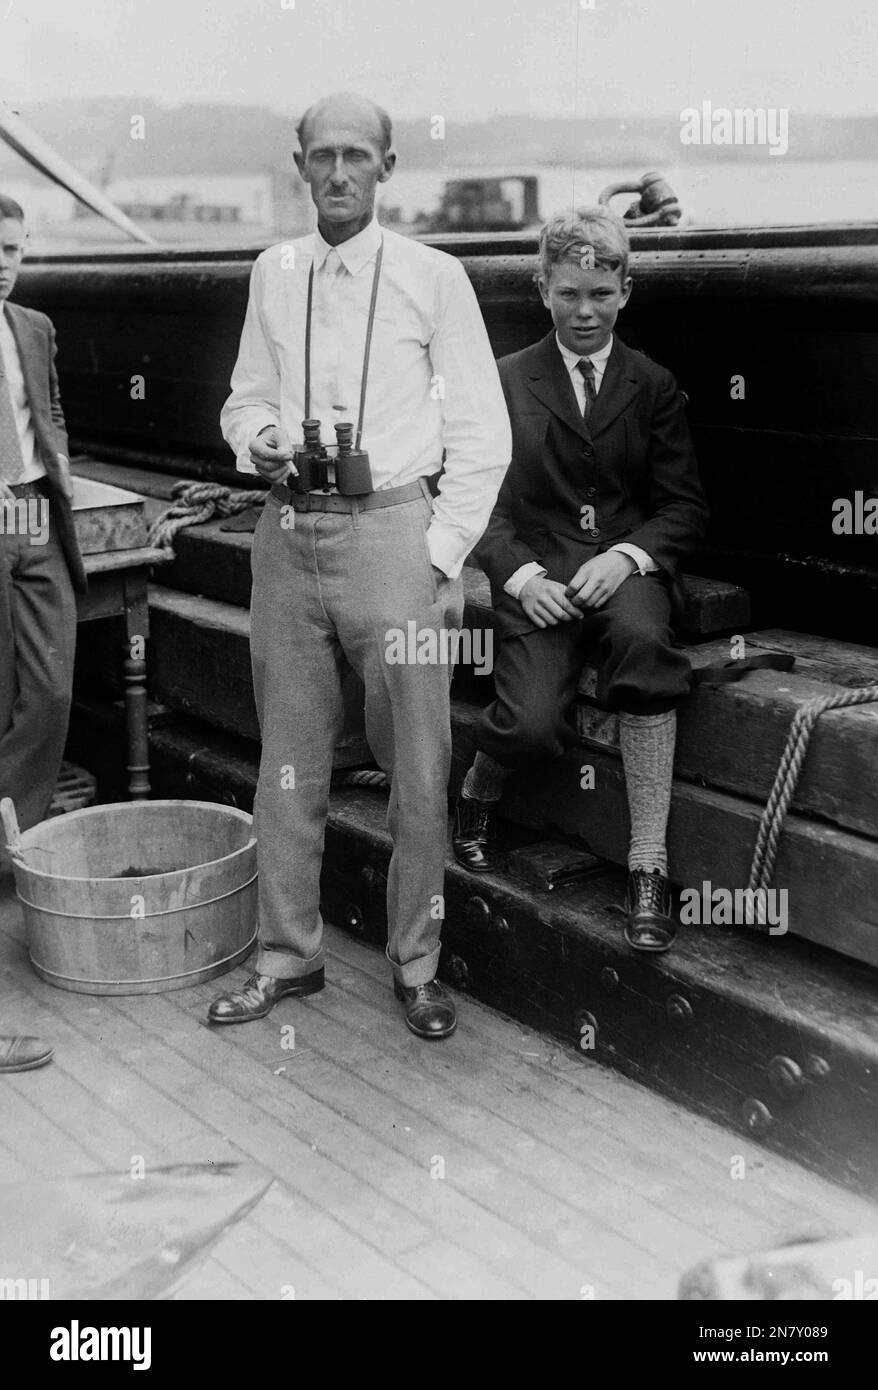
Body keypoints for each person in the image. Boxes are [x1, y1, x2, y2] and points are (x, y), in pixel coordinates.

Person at [209, 93, 510, 1038]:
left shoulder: (434, 276)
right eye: (321, 156)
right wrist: (257, 438)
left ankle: (417, 962)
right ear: (299, 163)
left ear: (387, 166)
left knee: (418, 763)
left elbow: (483, 434)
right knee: (288, 762)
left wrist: (438, 552)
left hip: (393, 537)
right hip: (287, 533)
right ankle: (286, 956)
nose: (338, 173)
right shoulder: (272, 271)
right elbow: (244, 398)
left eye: (356, 155)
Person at [453, 207, 708, 953]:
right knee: (532, 724)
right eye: (568, 294)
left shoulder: (652, 384)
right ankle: (476, 791)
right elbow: (477, 502)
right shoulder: (505, 381)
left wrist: (627, 557)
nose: (585, 311)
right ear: (542, 290)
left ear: (625, 290)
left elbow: (685, 507)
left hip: (623, 570)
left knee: (643, 648)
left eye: (601, 294)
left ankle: (648, 865)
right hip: (539, 576)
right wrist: (521, 577)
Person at [0, 193, 84, 1070]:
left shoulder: (33, 326)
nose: (2, 264)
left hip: (31, 516)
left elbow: (49, 416)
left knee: (51, 688)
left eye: (13, 250)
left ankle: (11, 846)